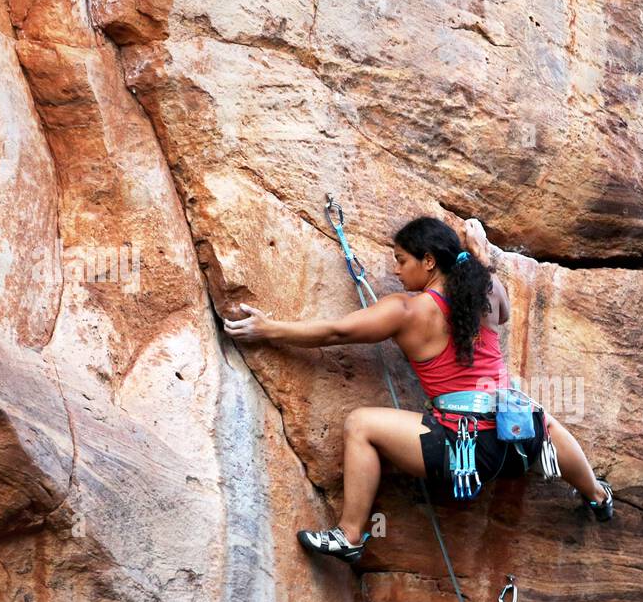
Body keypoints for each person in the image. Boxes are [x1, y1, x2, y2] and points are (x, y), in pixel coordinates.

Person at [223, 216, 613, 564]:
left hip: (462, 453)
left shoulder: (406, 311)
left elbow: (336, 332)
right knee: (546, 425)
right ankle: (596, 494)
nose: (395, 270)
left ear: (429, 261)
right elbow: (505, 312)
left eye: (401, 259)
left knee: (360, 424)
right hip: (517, 440)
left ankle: (350, 535)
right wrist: (477, 253)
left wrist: (268, 329)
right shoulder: (487, 291)